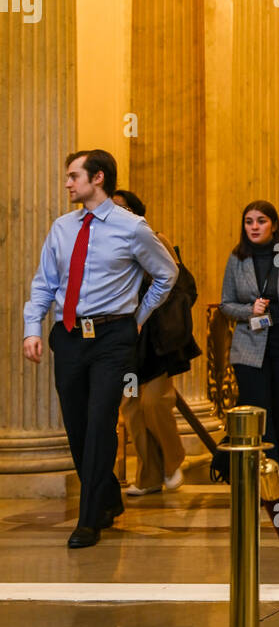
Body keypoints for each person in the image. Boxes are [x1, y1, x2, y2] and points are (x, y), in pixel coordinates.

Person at [23, 150, 178, 548]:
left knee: (100, 422)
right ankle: (107, 497)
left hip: (113, 339)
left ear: (98, 178)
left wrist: (137, 318)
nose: (67, 183)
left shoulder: (133, 228)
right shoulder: (61, 227)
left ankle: (88, 518)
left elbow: (166, 274)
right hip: (69, 336)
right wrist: (32, 328)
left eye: (74, 176)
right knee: (77, 427)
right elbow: (45, 282)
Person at [112, 189, 200, 498]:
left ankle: (173, 459)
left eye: (121, 207)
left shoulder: (153, 239)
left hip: (156, 341)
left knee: (154, 402)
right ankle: (148, 476)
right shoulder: (106, 244)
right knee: (133, 410)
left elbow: (176, 283)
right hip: (126, 343)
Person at [220, 201, 279, 482]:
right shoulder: (237, 259)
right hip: (250, 349)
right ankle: (256, 474)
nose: (254, 227)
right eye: (248, 221)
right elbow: (226, 304)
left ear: (273, 225)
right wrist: (249, 310)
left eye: (261, 221)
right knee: (256, 408)